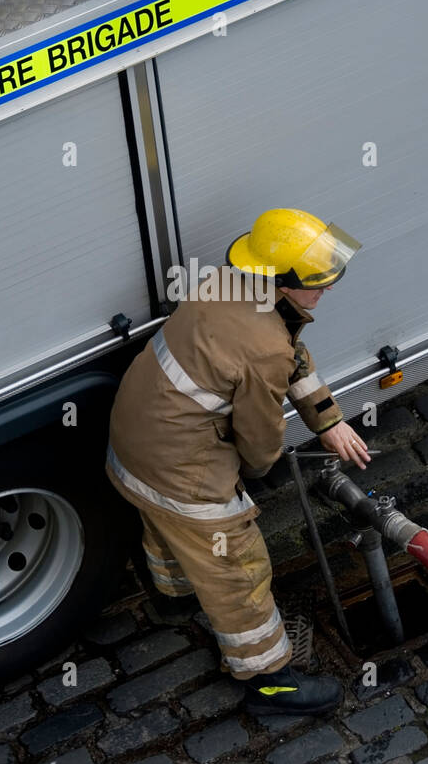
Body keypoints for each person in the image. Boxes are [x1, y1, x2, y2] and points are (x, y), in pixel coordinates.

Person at [105, 208, 371, 716]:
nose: (327, 289)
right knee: (238, 568)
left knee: (167, 529)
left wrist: (327, 420)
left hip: (134, 448)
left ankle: (176, 596)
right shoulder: (262, 345)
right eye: (316, 281)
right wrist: (257, 474)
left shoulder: (229, 284)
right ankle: (269, 681)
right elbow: (260, 436)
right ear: (282, 281)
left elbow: (290, 353)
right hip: (182, 474)